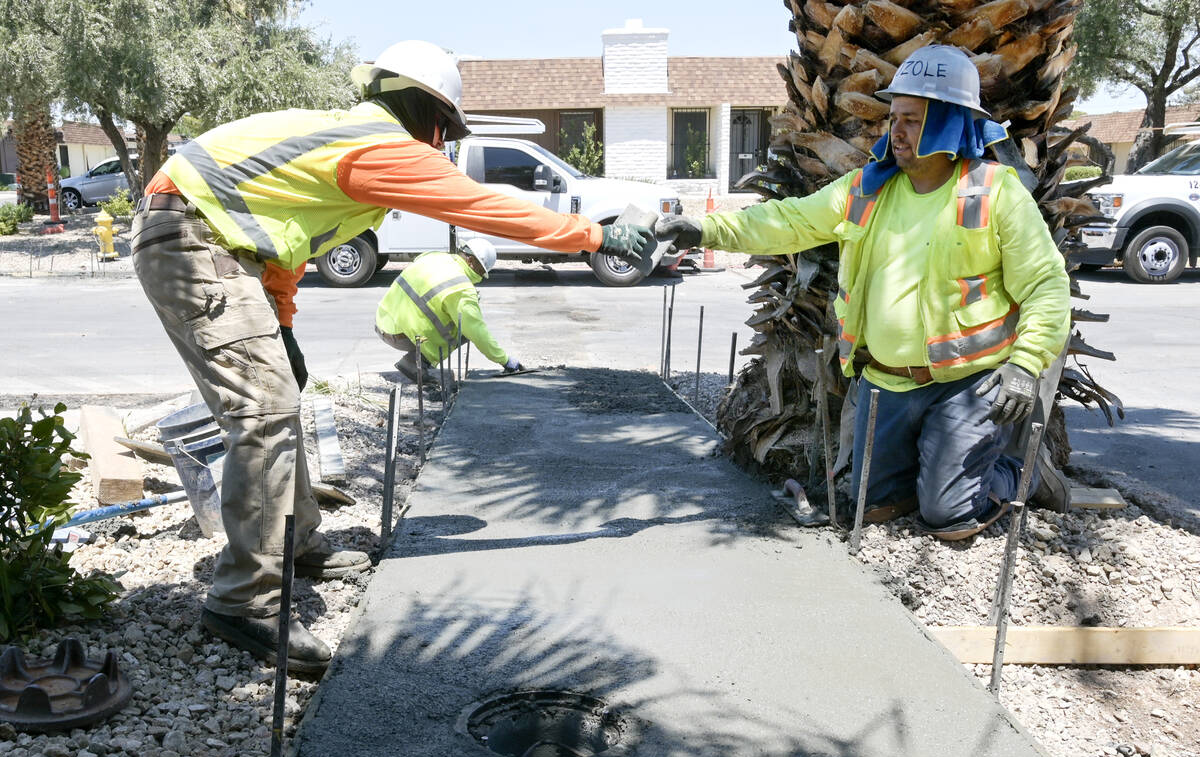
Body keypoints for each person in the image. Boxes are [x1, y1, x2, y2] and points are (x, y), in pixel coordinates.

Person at [130, 40, 652, 675]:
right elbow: (486, 207)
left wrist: (284, 323)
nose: (441, 146)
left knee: (275, 405)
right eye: (443, 131)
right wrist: (596, 234)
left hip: (207, 237)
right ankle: (245, 601)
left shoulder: (346, 142)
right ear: (429, 113)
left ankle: (294, 544)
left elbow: (282, 238)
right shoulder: (382, 148)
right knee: (264, 415)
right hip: (191, 237)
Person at [657, 45, 1071, 542]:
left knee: (949, 519)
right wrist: (704, 231)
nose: (895, 131)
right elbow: (787, 222)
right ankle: (933, 472)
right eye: (893, 117)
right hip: (886, 384)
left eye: (912, 120)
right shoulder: (866, 190)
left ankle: (1016, 469)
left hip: (964, 385)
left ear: (949, 124)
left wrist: (1025, 366)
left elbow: (1046, 285)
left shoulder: (996, 193)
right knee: (868, 508)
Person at [375, 237, 521, 381]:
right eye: (482, 270)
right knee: (462, 330)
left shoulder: (436, 257)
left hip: (383, 320)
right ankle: (416, 362)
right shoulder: (462, 288)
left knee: (454, 318)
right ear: (470, 261)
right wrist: (505, 360)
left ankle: (418, 359)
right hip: (401, 336)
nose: (482, 275)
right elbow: (477, 331)